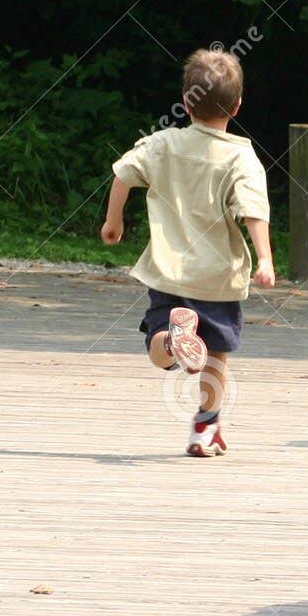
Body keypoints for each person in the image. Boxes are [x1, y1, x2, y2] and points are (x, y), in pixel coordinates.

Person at [101, 47, 275, 457]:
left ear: (185, 103)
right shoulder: (240, 156)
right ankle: (204, 429)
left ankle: (171, 340)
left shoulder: (160, 144)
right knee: (215, 354)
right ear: (237, 106)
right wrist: (265, 258)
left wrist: (114, 222)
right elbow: (254, 211)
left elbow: (122, 175)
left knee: (157, 342)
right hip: (217, 279)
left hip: (168, 273)